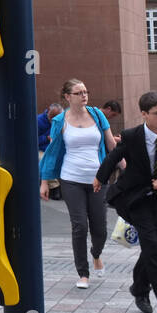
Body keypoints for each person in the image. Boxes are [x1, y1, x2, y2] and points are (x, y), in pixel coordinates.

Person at [95, 91, 157, 313]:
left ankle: (139, 287)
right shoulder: (132, 136)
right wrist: (100, 179)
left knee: (155, 249)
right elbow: (114, 156)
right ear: (144, 114)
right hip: (136, 199)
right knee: (154, 249)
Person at [40, 79, 114, 288]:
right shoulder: (60, 121)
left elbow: (110, 144)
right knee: (80, 226)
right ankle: (83, 273)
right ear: (67, 97)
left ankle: (96, 254)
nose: (84, 95)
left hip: (97, 178)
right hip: (71, 178)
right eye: (78, 92)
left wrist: (125, 164)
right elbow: (52, 153)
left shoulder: (98, 115)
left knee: (100, 228)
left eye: (85, 91)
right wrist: (45, 181)